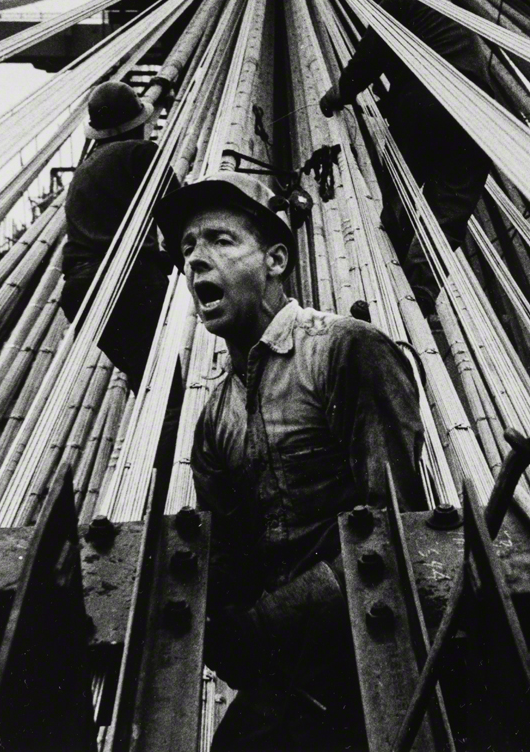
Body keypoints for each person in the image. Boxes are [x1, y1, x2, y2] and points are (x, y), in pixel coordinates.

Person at [151, 171, 427, 751]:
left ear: (276, 260)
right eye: (187, 247)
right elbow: (226, 562)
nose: (195, 260)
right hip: (291, 672)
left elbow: (394, 523)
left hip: (384, 647)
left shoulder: (344, 349)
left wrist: (273, 621)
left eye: (220, 240)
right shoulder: (215, 418)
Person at [318, 0, 493, 318]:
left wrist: (340, 93)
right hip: (478, 119)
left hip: (425, 107)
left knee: (399, 190)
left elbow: (371, 55)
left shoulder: (400, 2)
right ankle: (421, 291)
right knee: (449, 211)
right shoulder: (453, 19)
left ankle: (392, 282)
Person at [60, 81, 181, 391]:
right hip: (130, 281)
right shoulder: (140, 153)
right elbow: (179, 211)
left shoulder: (82, 172)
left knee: (144, 380)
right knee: (164, 387)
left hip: (80, 292)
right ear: (137, 124)